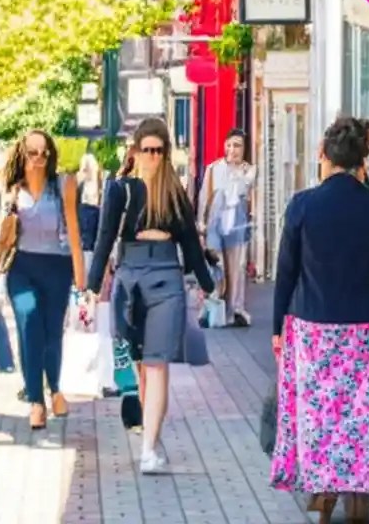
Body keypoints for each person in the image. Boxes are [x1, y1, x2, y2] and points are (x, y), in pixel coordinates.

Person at [270, 116, 369, 524]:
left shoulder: (302, 206)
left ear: (323, 155)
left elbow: (287, 271)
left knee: (319, 414)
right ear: (361, 160)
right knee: (361, 414)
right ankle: (360, 494)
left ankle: (322, 491)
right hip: (366, 327)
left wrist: (278, 327)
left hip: (313, 325)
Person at [87, 117, 216, 475]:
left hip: (166, 281)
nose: (154, 157)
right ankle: (150, 438)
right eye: (148, 150)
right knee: (143, 369)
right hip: (130, 280)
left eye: (160, 151)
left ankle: (148, 448)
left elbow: (190, 242)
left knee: (158, 365)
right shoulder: (120, 190)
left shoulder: (175, 192)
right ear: (136, 151)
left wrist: (208, 286)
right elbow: (103, 240)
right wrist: (91, 288)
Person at [0, 129, 87, 431]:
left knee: (52, 332)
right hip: (22, 267)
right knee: (28, 323)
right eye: (32, 152)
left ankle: (54, 388)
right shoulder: (13, 190)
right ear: (22, 154)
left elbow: (75, 230)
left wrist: (81, 274)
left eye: (44, 152)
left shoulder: (63, 185)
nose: (39, 158)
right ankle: (36, 400)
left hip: (57, 266)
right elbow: (3, 239)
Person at [197, 128, 256, 327]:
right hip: (215, 223)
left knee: (236, 268)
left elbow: (248, 196)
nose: (233, 150)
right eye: (230, 145)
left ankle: (235, 309)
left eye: (237, 145)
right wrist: (201, 226)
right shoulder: (213, 169)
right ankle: (213, 305)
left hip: (237, 224)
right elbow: (204, 198)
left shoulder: (249, 171)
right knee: (216, 265)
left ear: (244, 148)